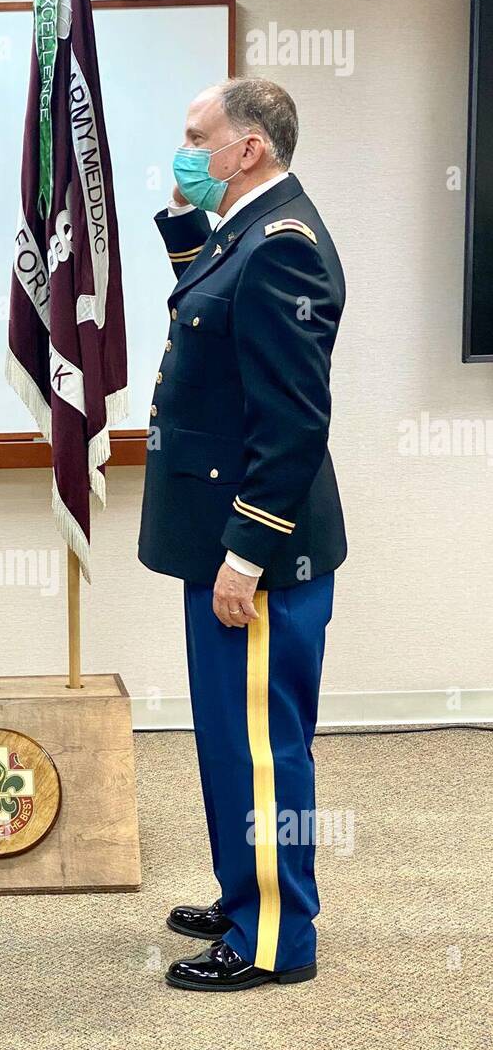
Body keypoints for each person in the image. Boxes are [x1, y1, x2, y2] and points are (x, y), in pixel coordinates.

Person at [138, 77, 347, 993]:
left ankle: (273, 938)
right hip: (221, 537)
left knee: (262, 742)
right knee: (231, 737)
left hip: (257, 550)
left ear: (248, 147)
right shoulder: (250, 231)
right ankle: (243, 892)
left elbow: (293, 422)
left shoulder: (284, 249)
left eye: (196, 138)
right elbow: (205, 307)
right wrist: (186, 204)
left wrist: (245, 554)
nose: (184, 149)